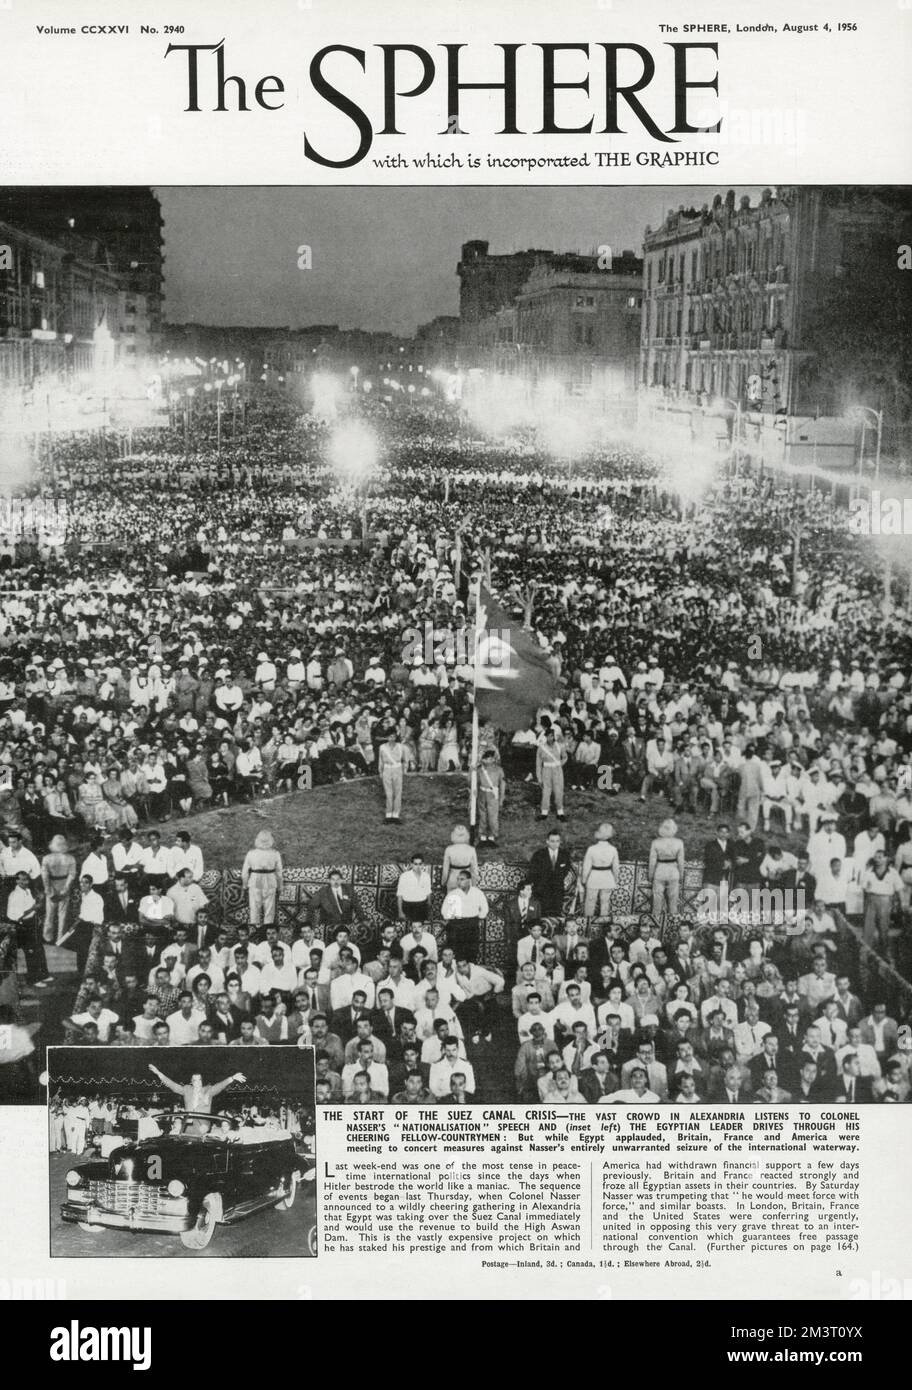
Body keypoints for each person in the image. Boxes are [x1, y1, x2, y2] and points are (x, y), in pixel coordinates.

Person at [440, 869, 488, 960]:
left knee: (472, 952)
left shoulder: (477, 893)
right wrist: (453, 918)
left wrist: (478, 918)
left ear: (469, 880)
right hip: (456, 926)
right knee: (456, 952)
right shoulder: (453, 894)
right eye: (458, 879)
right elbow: (444, 911)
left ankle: (470, 971)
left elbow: (484, 909)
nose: (458, 881)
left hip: (472, 925)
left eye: (462, 879)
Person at [242, 829, 283, 927]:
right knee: (269, 910)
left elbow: (244, 873)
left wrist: (244, 886)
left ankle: (255, 931)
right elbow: (279, 873)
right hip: (270, 881)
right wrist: (280, 886)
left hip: (255, 881)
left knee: (254, 909)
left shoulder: (251, 853)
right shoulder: (275, 854)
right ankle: (266, 932)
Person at [579, 822, 620, 918]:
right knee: (605, 903)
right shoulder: (613, 849)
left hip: (594, 878)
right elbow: (616, 867)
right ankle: (603, 924)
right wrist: (615, 880)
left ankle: (588, 922)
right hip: (608, 878)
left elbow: (586, 867)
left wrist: (584, 880)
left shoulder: (591, 849)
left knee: (590, 903)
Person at [528, 830, 572, 918]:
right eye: (552, 841)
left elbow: (566, 870)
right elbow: (533, 872)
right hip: (542, 891)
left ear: (560, 842)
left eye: (557, 841)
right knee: (542, 916)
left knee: (555, 917)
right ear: (547, 841)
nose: (555, 844)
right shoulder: (539, 855)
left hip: (557, 892)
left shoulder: (565, 855)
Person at [648, 818, 685, 923]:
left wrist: (650, 875)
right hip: (673, 872)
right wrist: (681, 875)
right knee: (673, 902)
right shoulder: (679, 842)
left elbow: (652, 861)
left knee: (657, 901)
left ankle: (655, 924)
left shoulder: (655, 842)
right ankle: (672, 925)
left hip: (660, 871)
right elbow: (681, 861)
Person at [476, 749, 505, 846]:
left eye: (488, 759)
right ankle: (482, 836)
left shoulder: (499, 770)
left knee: (493, 816)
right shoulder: (480, 770)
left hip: (493, 794)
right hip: (482, 793)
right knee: (482, 815)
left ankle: (492, 836)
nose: (485, 761)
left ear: (493, 759)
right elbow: (472, 782)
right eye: (485, 759)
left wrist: (501, 799)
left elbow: (502, 785)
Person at [536, 727, 567, 820]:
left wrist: (560, 764)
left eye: (552, 736)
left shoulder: (560, 746)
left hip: (557, 770)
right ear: (545, 737)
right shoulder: (541, 748)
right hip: (546, 770)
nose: (551, 738)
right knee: (546, 791)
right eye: (549, 736)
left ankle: (560, 812)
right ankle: (544, 812)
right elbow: (538, 764)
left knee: (558, 790)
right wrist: (539, 778)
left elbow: (565, 757)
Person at [378, 729, 406, 823]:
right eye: (390, 736)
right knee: (388, 793)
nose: (392, 738)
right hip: (387, 769)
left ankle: (396, 815)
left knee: (397, 793)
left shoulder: (400, 746)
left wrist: (404, 770)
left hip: (397, 769)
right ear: (387, 737)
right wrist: (380, 772)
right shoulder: (382, 747)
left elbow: (405, 759)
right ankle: (388, 815)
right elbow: (380, 760)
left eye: (393, 736)